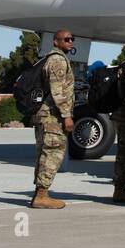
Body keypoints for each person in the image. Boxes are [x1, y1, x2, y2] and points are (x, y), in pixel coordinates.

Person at [31, 29, 76, 209]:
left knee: (43, 155)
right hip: (52, 117)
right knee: (52, 154)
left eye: (72, 39)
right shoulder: (57, 60)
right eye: (66, 39)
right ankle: (42, 195)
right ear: (56, 42)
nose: (70, 42)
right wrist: (67, 115)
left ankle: (39, 193)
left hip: (43, 115)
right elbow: (57, 91)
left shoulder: (50, 59)